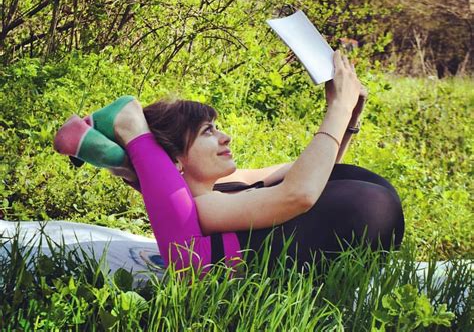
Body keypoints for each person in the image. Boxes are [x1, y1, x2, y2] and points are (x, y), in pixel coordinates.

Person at [54, 50, 404, 278]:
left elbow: (308, 173)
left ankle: (121, 151)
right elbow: (300, 195)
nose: (225, 138)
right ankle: (129, 127)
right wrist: (337, 109)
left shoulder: (228, 185)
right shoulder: (203, 208)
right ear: (174, 160)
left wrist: (349, 120)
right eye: (208, 131)